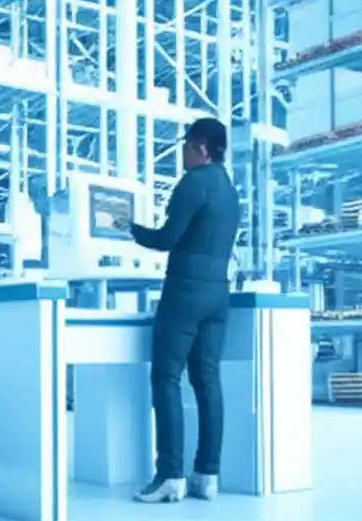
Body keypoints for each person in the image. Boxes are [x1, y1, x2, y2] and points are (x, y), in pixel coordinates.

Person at [115, 117, 240, 503]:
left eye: (186, 146)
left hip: (184, 293)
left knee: (166, 380)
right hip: (219, 295)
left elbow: (168, 238)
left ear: (201, 146)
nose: (183, 154)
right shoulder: (230, 190)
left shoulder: (194, 182)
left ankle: (170, 475)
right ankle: (207, 474)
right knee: (207, 382)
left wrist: (131, 229)